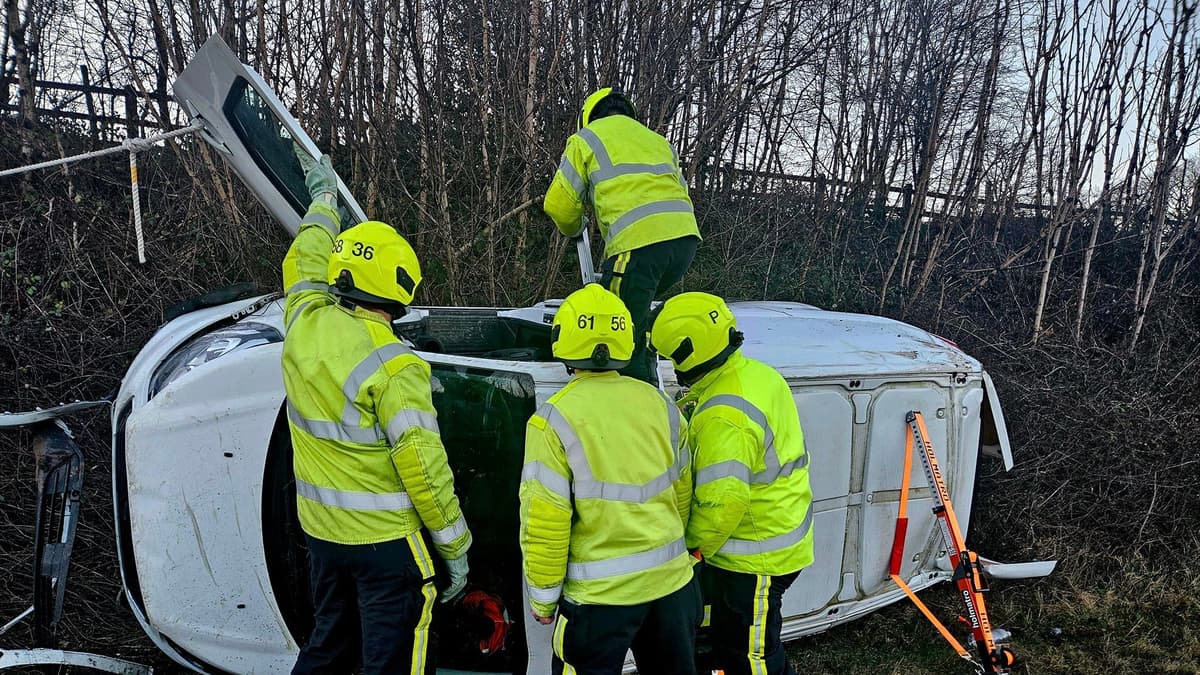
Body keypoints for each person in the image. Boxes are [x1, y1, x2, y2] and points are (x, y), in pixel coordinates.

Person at [283, 149, 472, 674]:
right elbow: (424, 469)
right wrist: (455, 547)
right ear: (397, 289)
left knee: (328, 647)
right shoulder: (395, 365)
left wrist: (323, 201)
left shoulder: (304, 319)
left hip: (323, 534)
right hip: (389, 547)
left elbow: (304, 254)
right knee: (391, 663)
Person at [519, 284, 701, 675]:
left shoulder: (553, 419)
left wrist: (544, 598)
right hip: (673, 590)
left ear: (562, 341)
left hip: (598, 601)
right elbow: (683, 492)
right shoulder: (660, 404)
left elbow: (545, 521)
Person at [650, 292, 814, 675]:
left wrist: (690, 549)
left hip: (755, 555)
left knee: (751, 654)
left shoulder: (724, 417)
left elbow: (724, 500)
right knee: (731, 639)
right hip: (776, 536)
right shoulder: (755, 373)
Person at [543, 87, 702, 384]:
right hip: (684, 242)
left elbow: (558, 205)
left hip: (638, 244)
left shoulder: (586, 138)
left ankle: (633, 400)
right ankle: (646, 372)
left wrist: (575, 227)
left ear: (588, 116)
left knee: (615, 326)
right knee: (634, 317)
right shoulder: (658, 141)